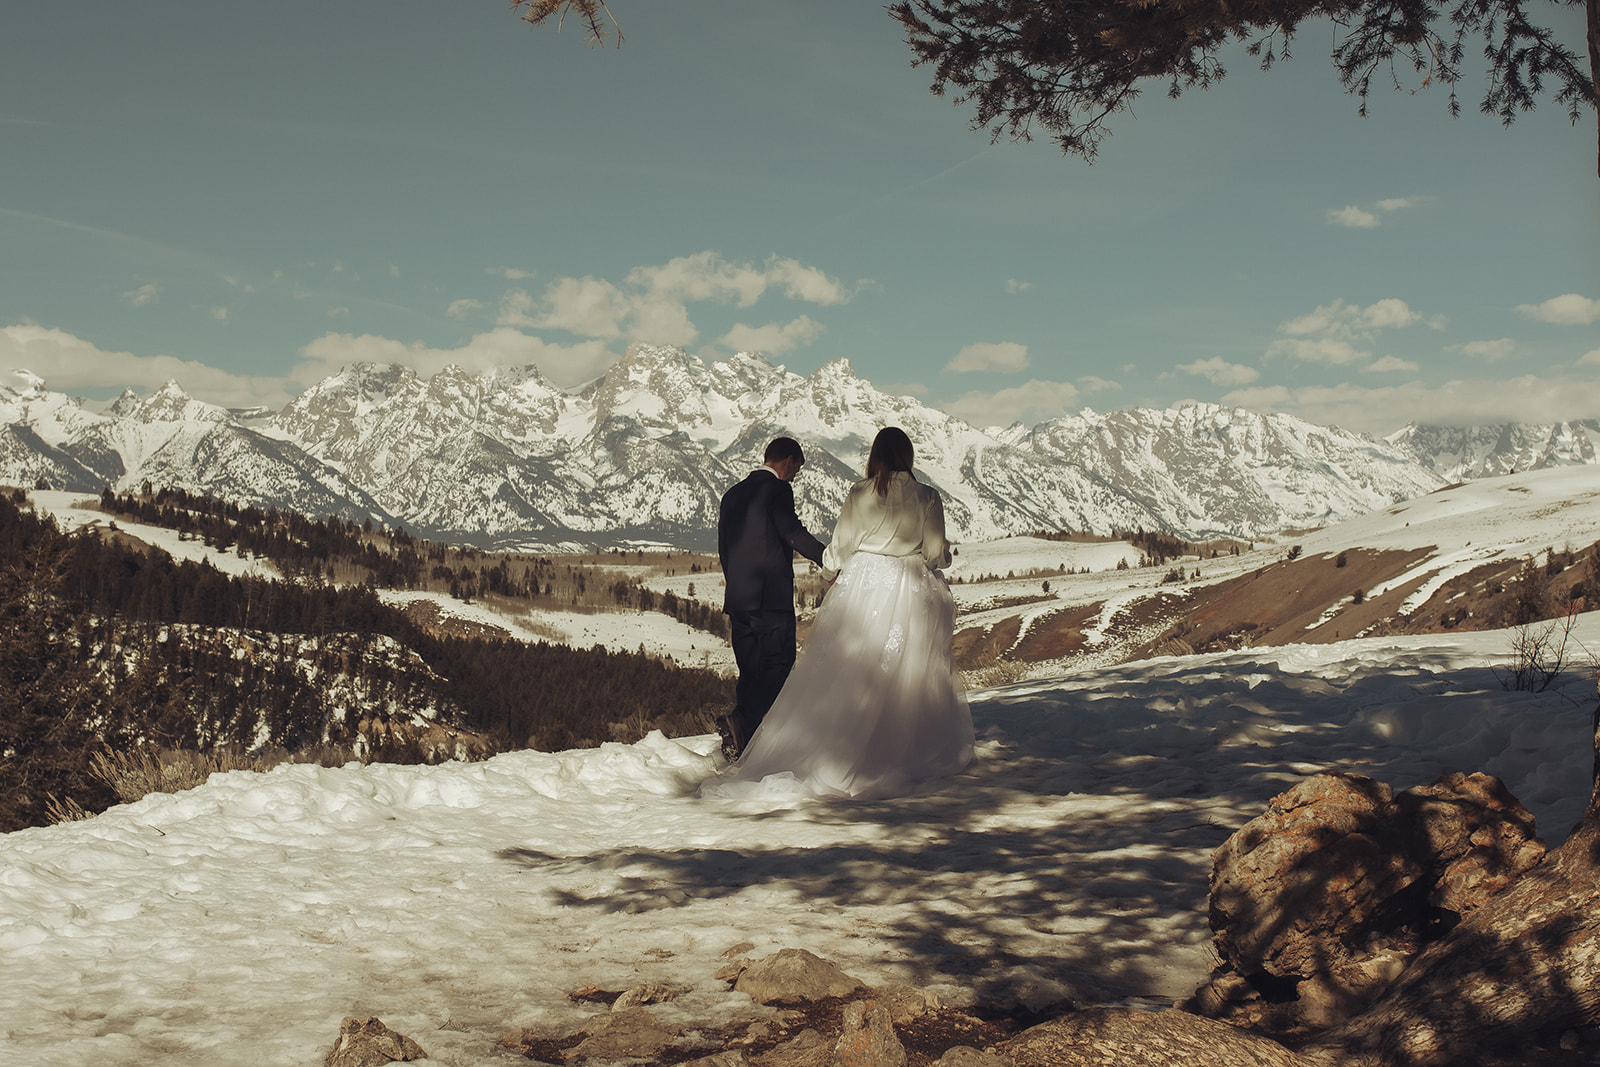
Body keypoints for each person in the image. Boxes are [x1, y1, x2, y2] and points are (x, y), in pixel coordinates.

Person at [706, 427, 973, 801]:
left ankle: (758, 734)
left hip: (849, 586)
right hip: (907, 586)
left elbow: (842, 546)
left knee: (849, 667)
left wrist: (832, 569)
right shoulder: (927, 496)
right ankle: (902, 743)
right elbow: (934, 553)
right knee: (906, 670)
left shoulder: (859, 493)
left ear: (875, 457)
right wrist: (933, 560)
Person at [716, 436, 828, 759]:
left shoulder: (731, 496)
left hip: (738, 600)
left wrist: (737, 583)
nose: (794, 476)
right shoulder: (778, 491)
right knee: (779, 671)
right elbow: (791, 532)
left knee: (750, 674)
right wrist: (829, 559)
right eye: (796, 469)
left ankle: (745, 745)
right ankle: (746, 724)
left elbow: (725, 549)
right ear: (789, 461)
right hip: (770, 602)